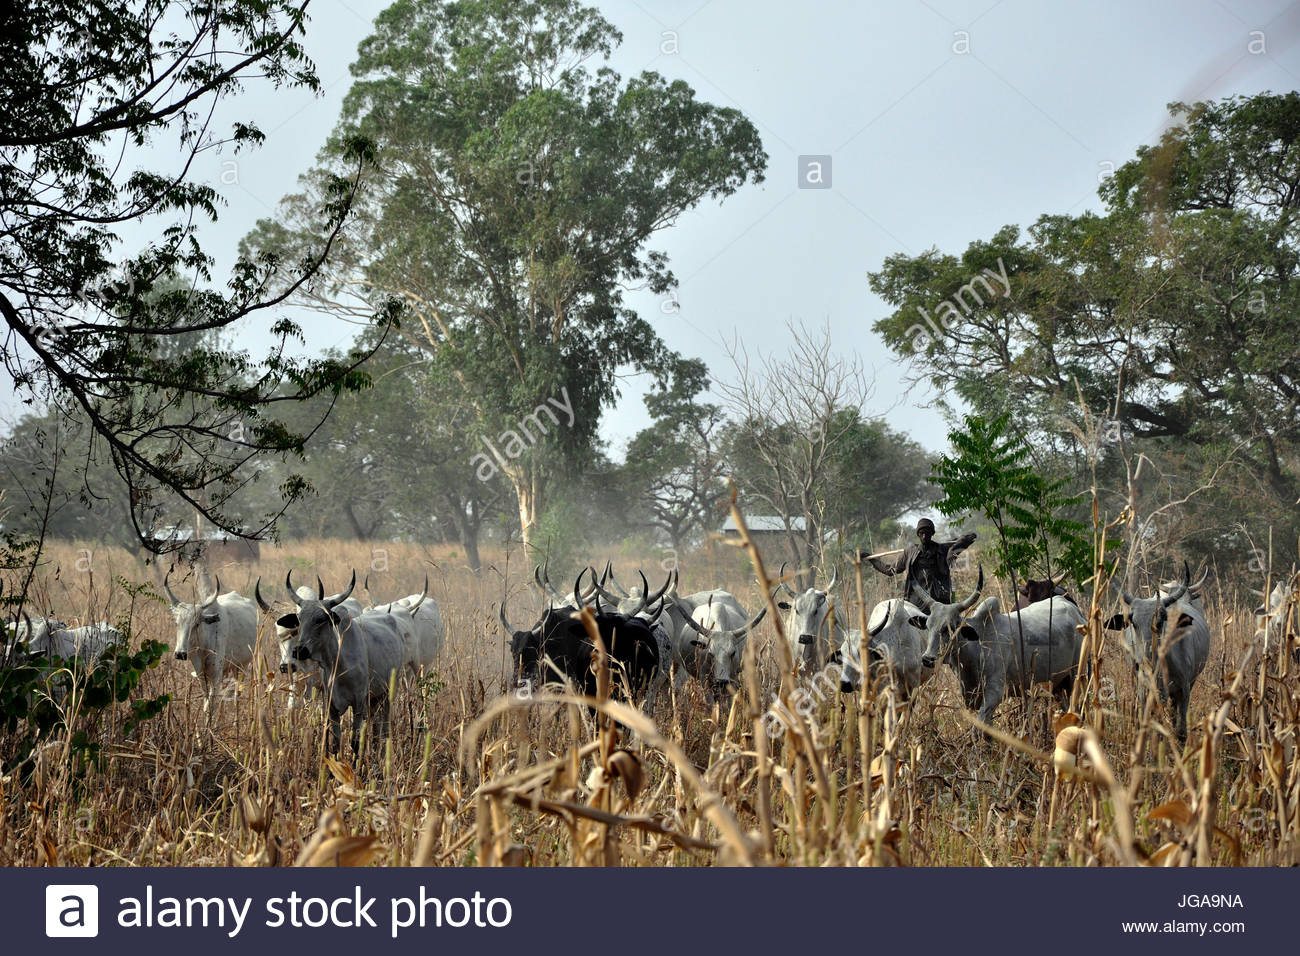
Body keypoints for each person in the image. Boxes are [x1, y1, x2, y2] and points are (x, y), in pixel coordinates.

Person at [860, 518, 977, 606]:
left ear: (932, 533)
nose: (925, 536)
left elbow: (957, 545)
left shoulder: (942, 549)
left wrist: (965, 540)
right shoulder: (909, 552)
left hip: (939, 602)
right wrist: (872, 559)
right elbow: (890, 570)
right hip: (915, 602)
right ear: (918, 535)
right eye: (922, 533)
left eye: (927, 533)